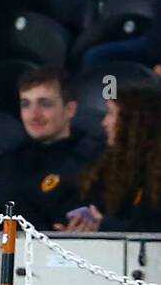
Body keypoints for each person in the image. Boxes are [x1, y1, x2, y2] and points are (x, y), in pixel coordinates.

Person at [0, 66, 101, 230]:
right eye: (25, 105)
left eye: (45, 104)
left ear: (70, 109)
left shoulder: (96, 158)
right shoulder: (6, 163)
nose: (34, 115)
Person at [61, 86, 161, 232]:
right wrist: (77, 228)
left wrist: (106, 226)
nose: (104, 122)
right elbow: (93, 208)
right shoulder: (108, 165)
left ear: (134, 122)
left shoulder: (155, 173)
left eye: (110, 114)